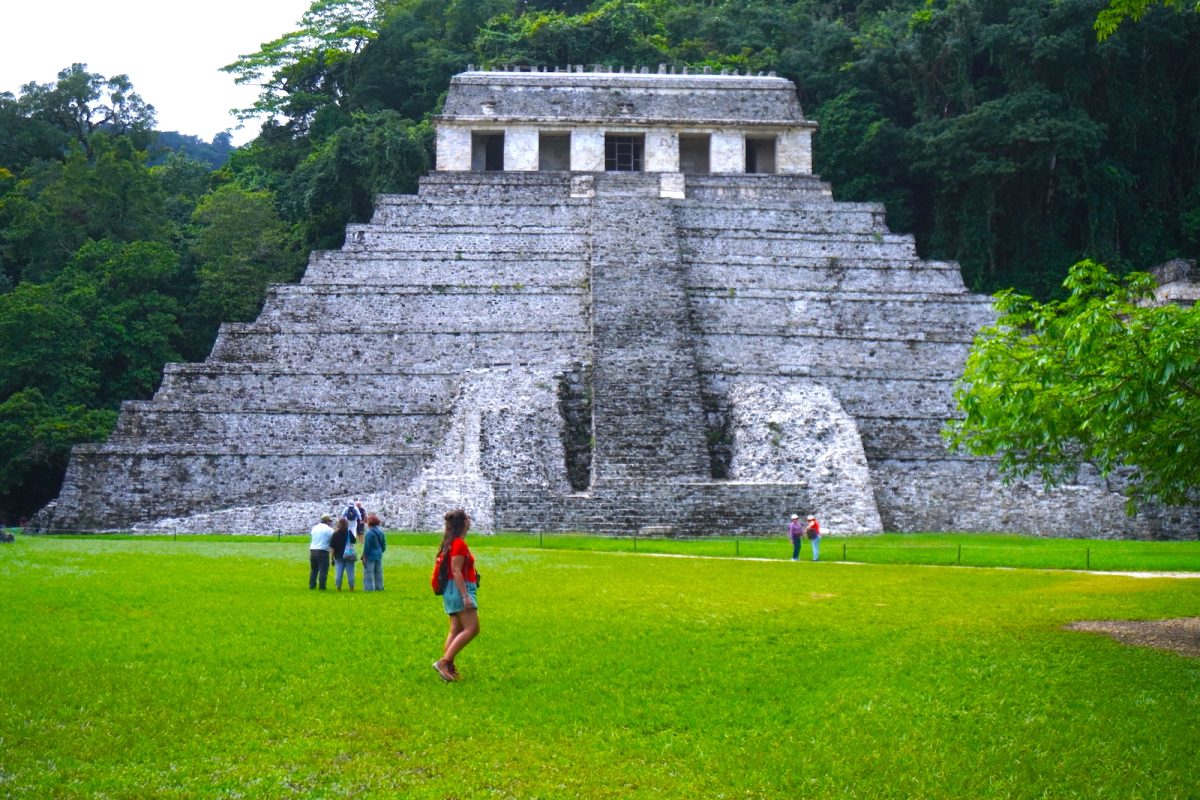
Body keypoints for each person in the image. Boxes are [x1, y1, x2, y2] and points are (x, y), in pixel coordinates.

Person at [433, 508, 479, 682]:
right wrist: (466, 596)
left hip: (451, 589)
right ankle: (444, 662)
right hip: (460, 588)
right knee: (473, 628)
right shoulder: (459, 543)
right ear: (463, 523)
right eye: (467, 518)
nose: (470, 521)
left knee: (456, 630)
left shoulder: (451, 542)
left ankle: (448, 668)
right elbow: (456, 570)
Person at [308, 514, 336, 590]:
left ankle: (312, 585)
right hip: (323, 551)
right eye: (329, 521)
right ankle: (322, 586)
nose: (330, 523)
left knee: (314, 570)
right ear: (327, 521)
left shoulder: (314, 528)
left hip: (313, 550)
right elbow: (332, 541)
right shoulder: (330, 530)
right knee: (323, 570)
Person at [361, 513, 387, 591]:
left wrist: (364, 555)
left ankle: (369, 588)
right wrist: (381, 550)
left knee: (369, 572)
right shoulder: (381, 532)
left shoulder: (369, 533)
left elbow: (367, 546)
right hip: (378, 554)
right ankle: (379, 587)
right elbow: (383, 543)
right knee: (378, 572)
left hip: (370, 555)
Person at [331, 517, 357, 592]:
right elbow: (354, 541)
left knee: (339, 573)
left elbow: (332, 548)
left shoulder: (335, 534)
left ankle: (339, 588)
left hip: (338, 557)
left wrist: (331, 557)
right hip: (349, 556)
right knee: (350, 573)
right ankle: (351, 588)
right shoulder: (349, 532)